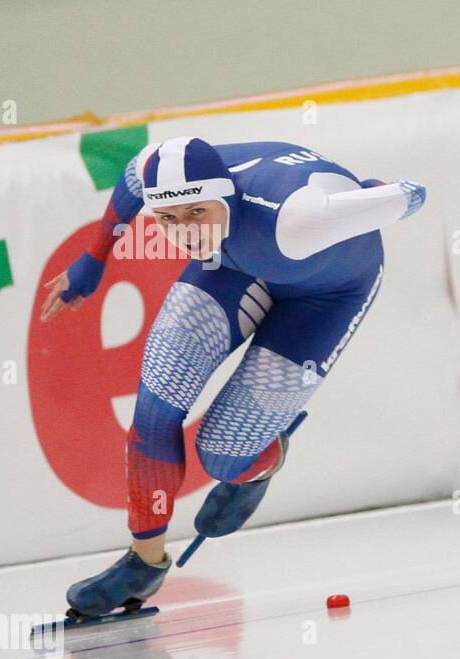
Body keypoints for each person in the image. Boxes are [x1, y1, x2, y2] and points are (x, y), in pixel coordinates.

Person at [40, 136, 425, 618]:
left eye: (198, 214)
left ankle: (264, 457)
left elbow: (414, 193)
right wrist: (94, 259)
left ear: (225, 195)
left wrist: (368, 197)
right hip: (233, 264)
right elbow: (132, 181)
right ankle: (144, 563)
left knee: (222, 456)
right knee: (155, 406)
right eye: (168, 221)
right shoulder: (158, 171)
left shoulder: (300, 218)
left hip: (328, 296)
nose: (184, 233)